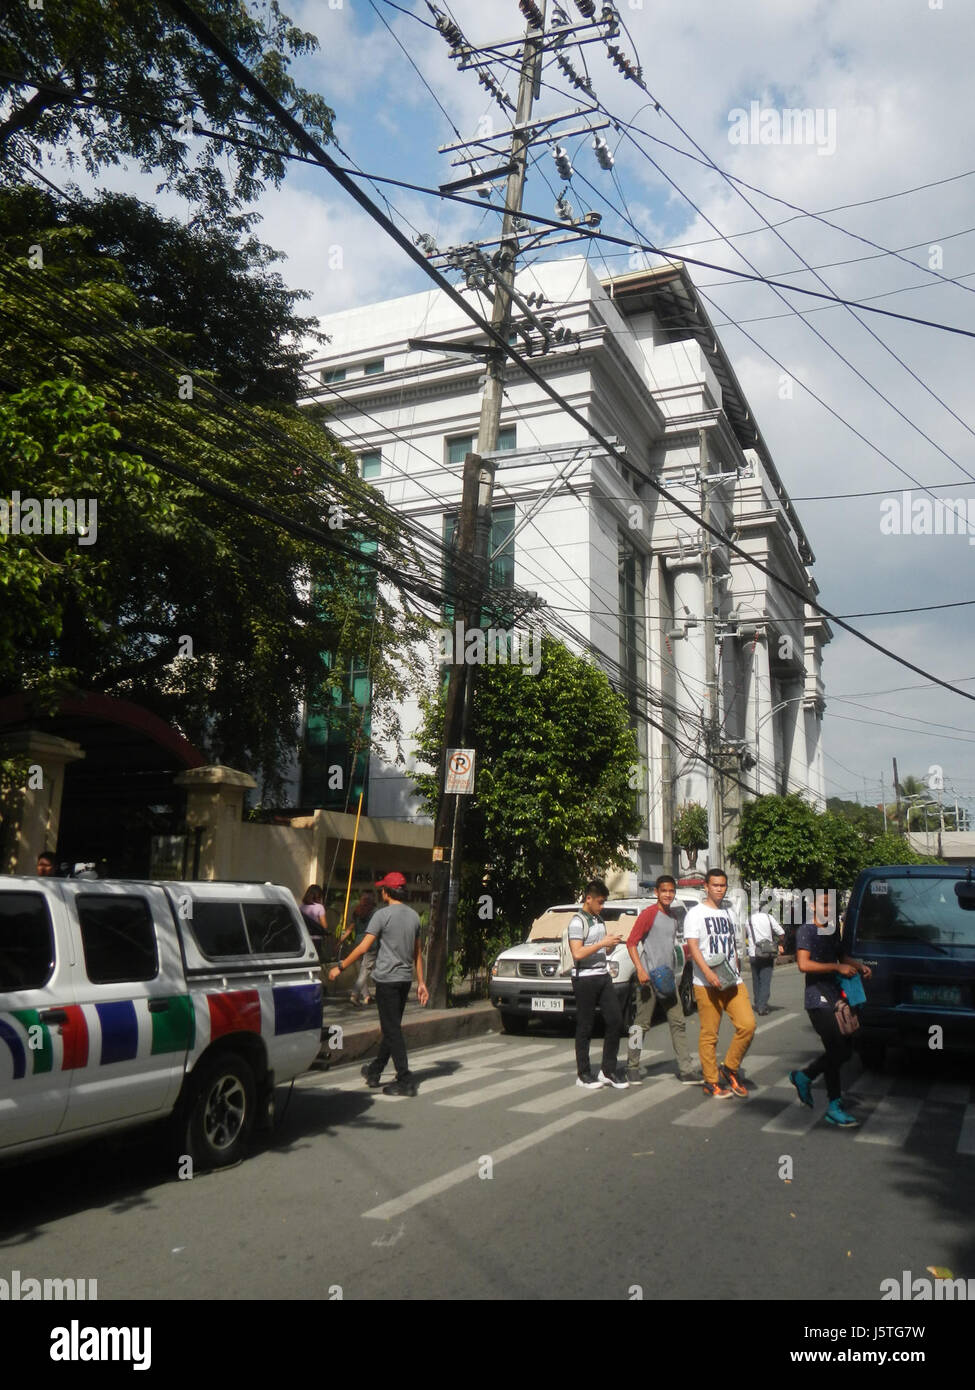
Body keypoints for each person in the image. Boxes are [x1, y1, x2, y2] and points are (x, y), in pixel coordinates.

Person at [329, 871, 428, 1097]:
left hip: (387, 982)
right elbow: (418, 953)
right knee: (390, 1027)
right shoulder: (413, 916)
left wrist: (340, 966)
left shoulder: (382, 916)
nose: (380, 891)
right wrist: (421, 982)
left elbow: (363, 947)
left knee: (392, 1029)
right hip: (405, 981)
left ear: (387, 892)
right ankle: (374, 1071)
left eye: (382, 888)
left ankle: (405, 1079)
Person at [789, 892, 872, 1127]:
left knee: (844, 1050)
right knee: (838, 1051)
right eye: (824, 904)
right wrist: (837, 967)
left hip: (837, 998)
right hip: (817, 1000)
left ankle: (805, 1078)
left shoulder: (833, 929)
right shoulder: (806, 930)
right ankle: (832, 1103)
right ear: (813, 906)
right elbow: (803, 964)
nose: (828, 909)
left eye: (831, 905)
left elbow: (842, 955)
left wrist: (858, 965)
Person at [683, 867, 756, 1098]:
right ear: (706, 886)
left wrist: (736, 967)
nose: (719, 889)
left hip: (732, 980)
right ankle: (711, 1081)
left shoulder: (729, 913)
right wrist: (708, 973)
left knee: (747, 1025)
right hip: (705, 983)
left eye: (723, 885)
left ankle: (730, 1068)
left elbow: (734, 944)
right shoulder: (695, 914)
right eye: (715, 885)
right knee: (709, 1034)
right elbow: (693, 947)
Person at [625, 875, 702, 1085]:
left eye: (671, 891)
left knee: (678, 1022)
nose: (668, 895)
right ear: (656, 892)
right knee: (640, 1025)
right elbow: (631, 943)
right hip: (648, 980)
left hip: (667, 980)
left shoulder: (673, 917)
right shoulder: (649, 915)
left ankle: (686, 1069)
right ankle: (631, 1065)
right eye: (664, 891)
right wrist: (640, 970)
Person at [569, 879, 628, 1090]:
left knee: (615, 1020)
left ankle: (608, 1070)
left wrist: (610, 945)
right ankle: (583, 1073)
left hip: (602, 975)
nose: (602, 907)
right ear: (588, 899)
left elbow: (600, 950)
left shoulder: (598, 920)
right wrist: (602, 943)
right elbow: (577, 953)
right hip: (584, 978)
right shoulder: (577, 922)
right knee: (585, 1025)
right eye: (600, 902)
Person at [745, 901, 785, 1015]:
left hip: (753, 953)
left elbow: (746, 934)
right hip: (767, 953)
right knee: (765, 980)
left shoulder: (749, 919)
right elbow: (781, 933)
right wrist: (778, 942)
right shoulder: (769, 917)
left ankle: (758, 1003)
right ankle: (762, 1006)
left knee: (756, 980)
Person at [339, 889, 378, 1007]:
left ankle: (366, 996)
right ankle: (354, 995)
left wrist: (339, 942)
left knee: (363, 970)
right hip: (371, 943)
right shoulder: (374, 912)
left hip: (358, 944)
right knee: (365, 971)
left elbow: (350, 929)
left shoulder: (357, 912)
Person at [299, 885, 328, 961]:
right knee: (315, 960)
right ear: (319, 895)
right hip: (316, 940)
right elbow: (324, 926)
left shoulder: (301, 907)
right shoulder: (320, 907)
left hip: (303, 939)